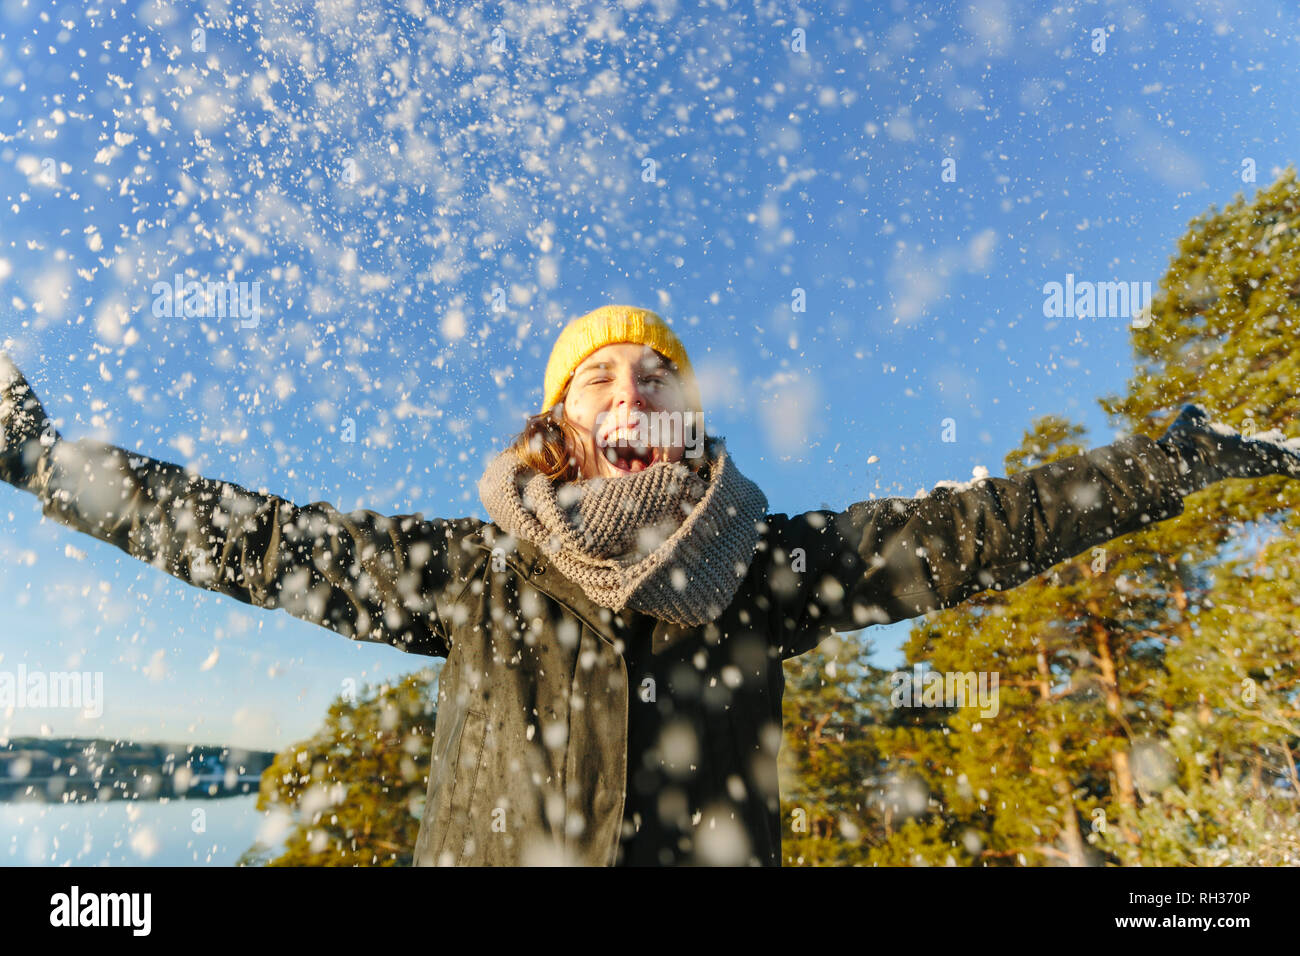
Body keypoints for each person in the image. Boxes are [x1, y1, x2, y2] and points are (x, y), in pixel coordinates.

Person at [2, 304, 1298, 867]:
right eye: (598, 380)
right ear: (560, 430)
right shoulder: (475, 576)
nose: (631, 392)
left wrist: (1171, 460)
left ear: (688, 424)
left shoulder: (774, 568)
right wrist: (47, 467)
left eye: (657, 377)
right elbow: (258, 539)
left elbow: (981, 528)